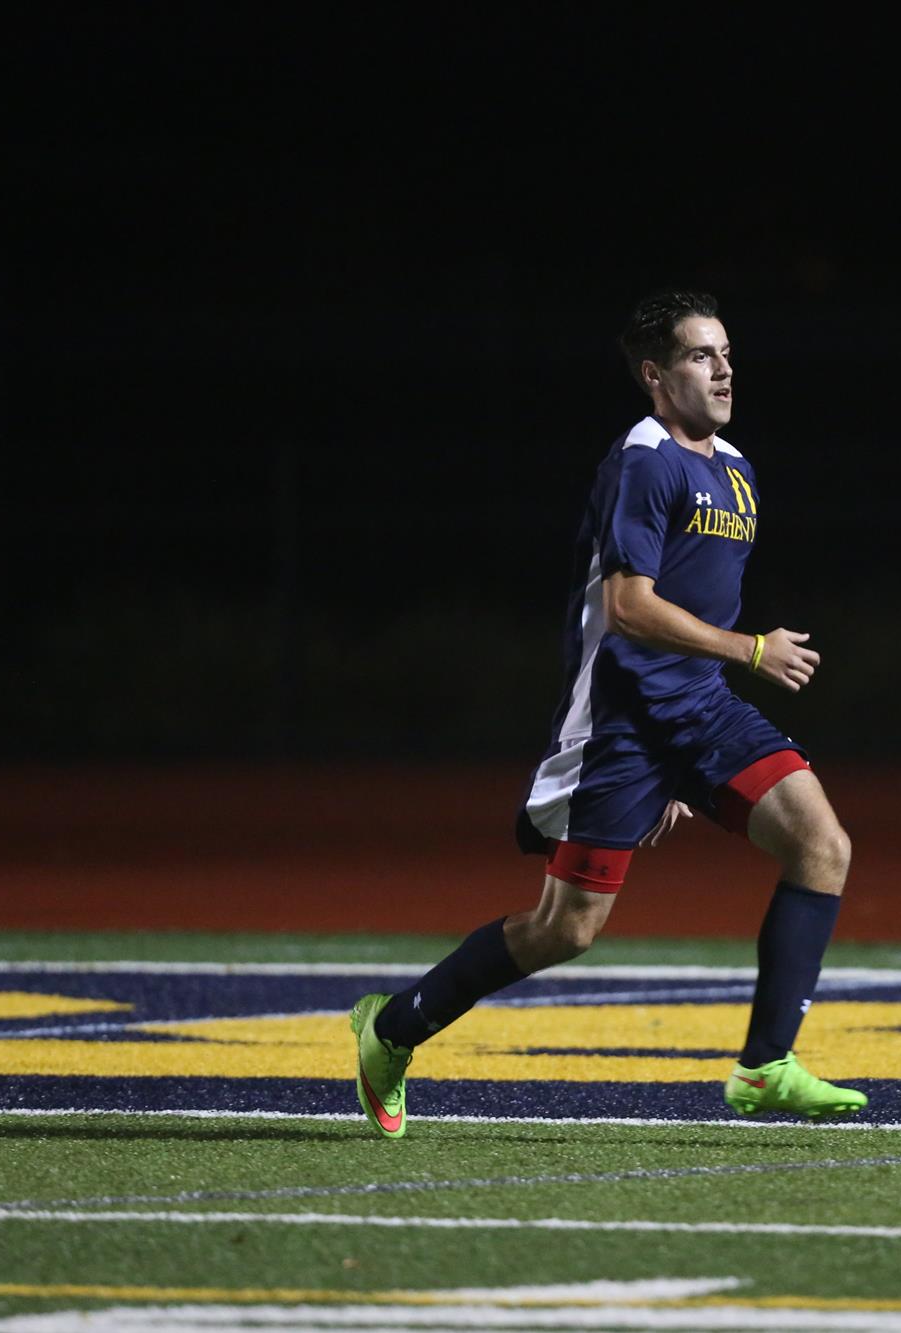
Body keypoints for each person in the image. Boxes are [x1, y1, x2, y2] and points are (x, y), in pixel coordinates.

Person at [347, 291, 865, 1138]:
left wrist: (694, 749)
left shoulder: (735, 467)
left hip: (699, 712)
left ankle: (766, 1066)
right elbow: (629, 606)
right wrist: (752, 651)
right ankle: (392, 1029)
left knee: (822, 843)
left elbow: (696, 596)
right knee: (566, 929)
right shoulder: (645, 459)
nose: (725, 368)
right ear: (656, 375)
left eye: (727, 352)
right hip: (620, 724)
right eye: (702, 355)